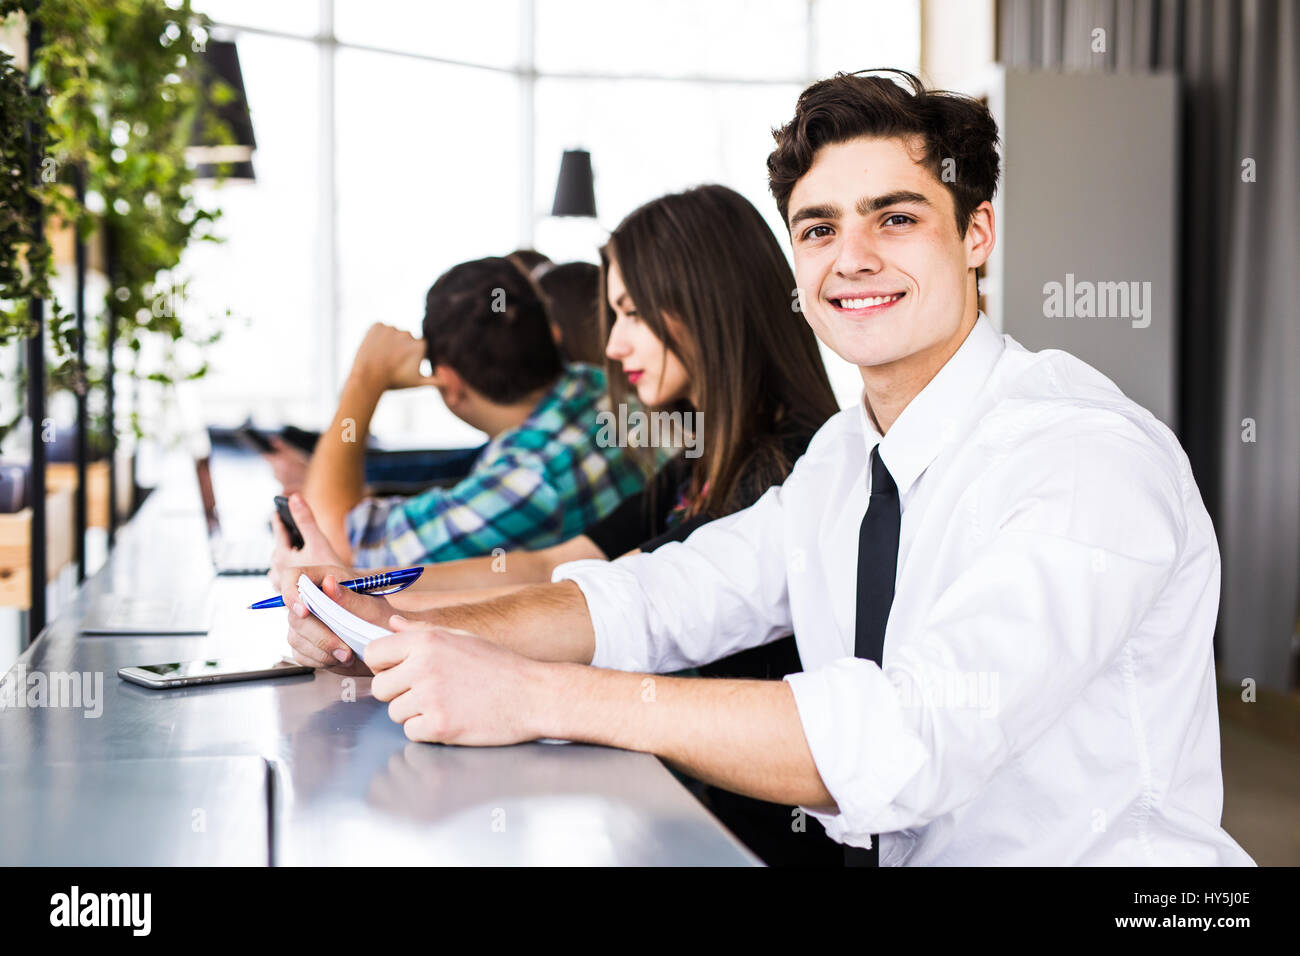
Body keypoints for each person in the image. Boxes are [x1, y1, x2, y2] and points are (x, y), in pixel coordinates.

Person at [281, 70, 1254, 866]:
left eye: (896, 217)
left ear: (976, 234)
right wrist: (391, 623)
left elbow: (908, 737)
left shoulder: (1082, 455)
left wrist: (534, 693)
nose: (852, 257)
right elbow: (652, 598)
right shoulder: (843, 458)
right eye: (819, 227)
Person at [273, 184, 843, 865]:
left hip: (748, 835)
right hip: (685, 807)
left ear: (699, 307)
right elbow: (561, 568)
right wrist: (370, 604)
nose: (611, 342)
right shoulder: (702, 456)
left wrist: (387, 616)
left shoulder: (788, 469)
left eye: (630, 312)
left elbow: (616, 597)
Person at [300, 255, 647, 568]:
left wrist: (365, 380)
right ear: (551, 333)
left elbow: (331, 544)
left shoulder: (529, 480)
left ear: (449, 382)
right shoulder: (605, 389)